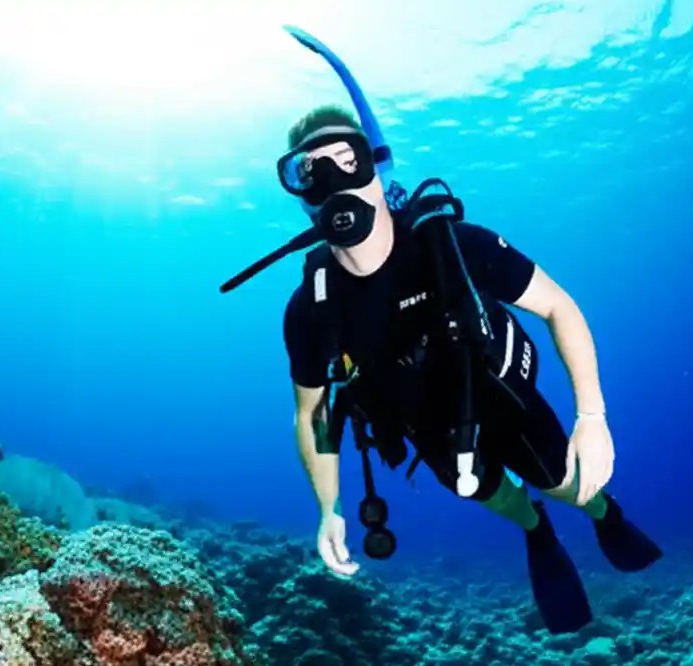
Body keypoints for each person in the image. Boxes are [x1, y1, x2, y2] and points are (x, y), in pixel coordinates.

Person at [269, 105, 663, 634]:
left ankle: (602, 514)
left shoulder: (455, 245)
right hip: (426, 430)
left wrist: (592, 417)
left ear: (377, 168)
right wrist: (328, 507)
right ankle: (535, 528)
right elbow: (312, 414)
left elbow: (557, 306)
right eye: (310, 172)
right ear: (300, 195)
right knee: (477, 486)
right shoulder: (311, 310)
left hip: (501, 399)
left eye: (348, 159)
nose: (334, 181)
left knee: (558, 480)